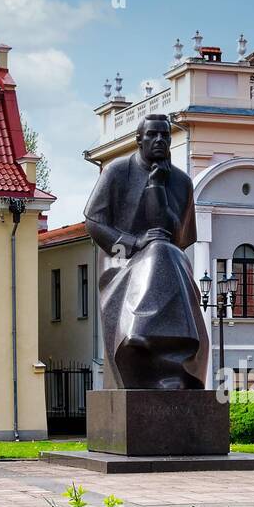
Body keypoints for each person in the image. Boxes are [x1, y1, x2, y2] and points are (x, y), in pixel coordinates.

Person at [83, 114, 210, 389]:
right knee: (158, 251)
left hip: (168, 260)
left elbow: (178, 237)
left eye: (165, 135)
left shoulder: (180, 181)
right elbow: (94, 221)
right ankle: (144, 332)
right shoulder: (117, 171)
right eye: (153, 135)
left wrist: (157, 189)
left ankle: (146, 333)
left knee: (162, 251)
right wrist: (133, 243)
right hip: (120, 261)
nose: (160, 140)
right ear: (139, 140)